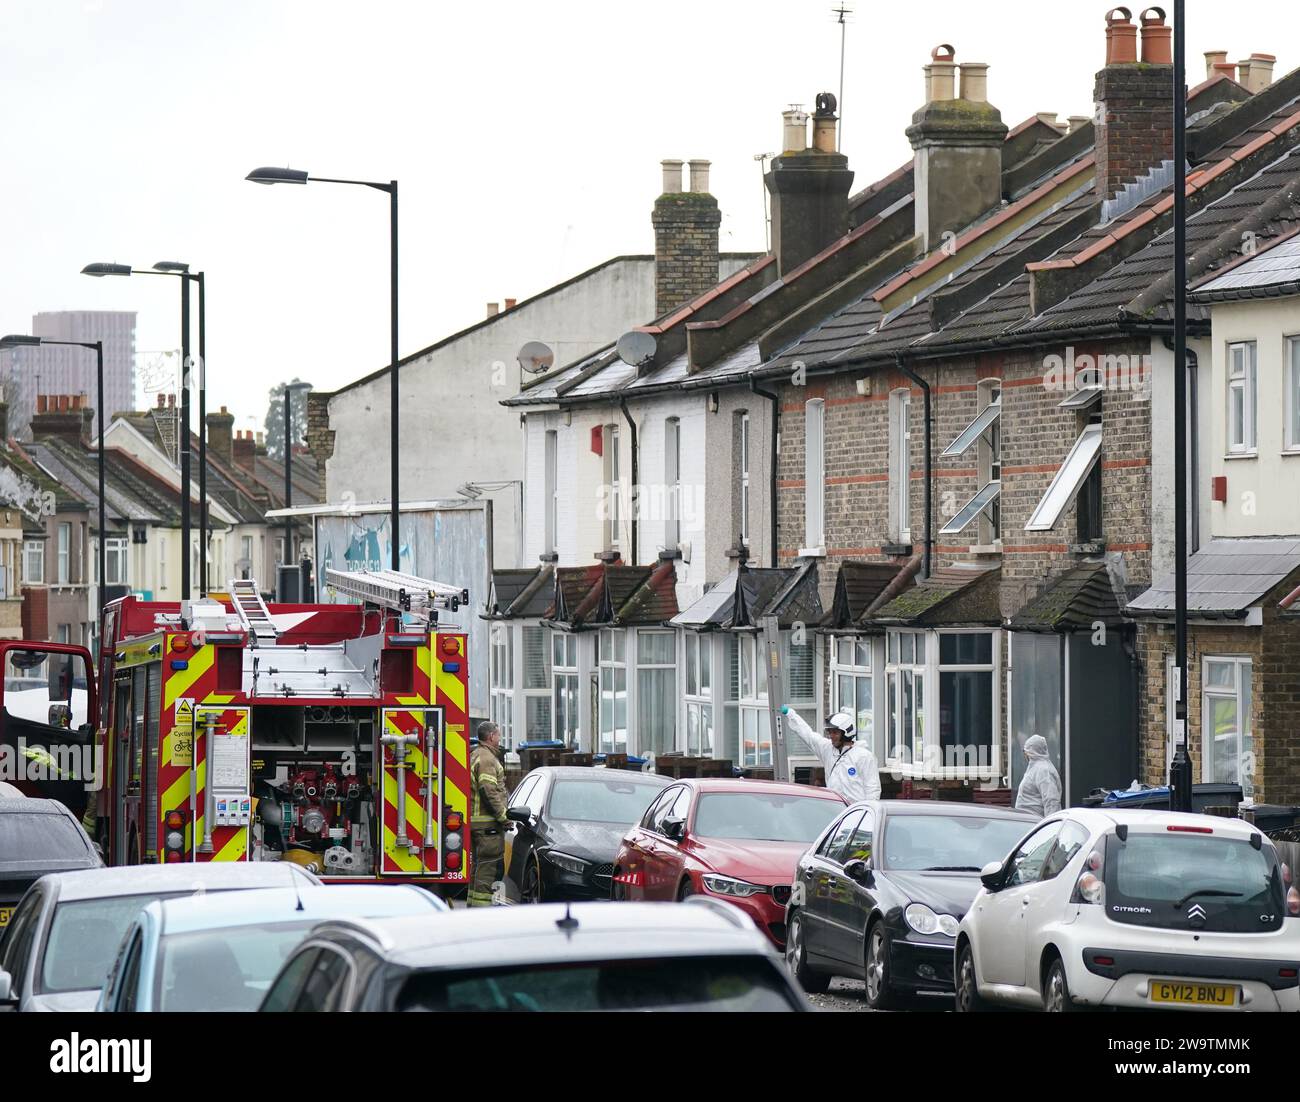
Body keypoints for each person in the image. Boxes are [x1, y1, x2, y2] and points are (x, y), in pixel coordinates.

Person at [780, 706, 881, 803]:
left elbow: (872, 789)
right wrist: (791, 715)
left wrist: (867, 814)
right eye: (829, 732)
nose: (831, 736)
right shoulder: (827, 749)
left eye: (835, 732)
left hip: (856, 813)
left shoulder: (864, 756)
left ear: (847, 732)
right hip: (835, 810)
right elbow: (808, 735)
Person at [468, 721, 509, 907]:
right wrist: (503, 817)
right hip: (487, 826)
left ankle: (472, 906)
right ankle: (480, 912)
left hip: (477, 824)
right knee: (487, 870)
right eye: (499, 736)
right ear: (491, 736)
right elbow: (489, 790)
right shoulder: (487, 759)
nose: (499, 740)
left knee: (478, 868)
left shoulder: (475, 755)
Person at [1015, 734, 1062, 818]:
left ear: (1032, 751)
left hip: (1035, 822)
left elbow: (1051, 801)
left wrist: (1050, 825)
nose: (1025, 755)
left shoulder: (1043, 770)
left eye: (1025, 751)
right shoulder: (1035, 768)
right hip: (1028, 822)